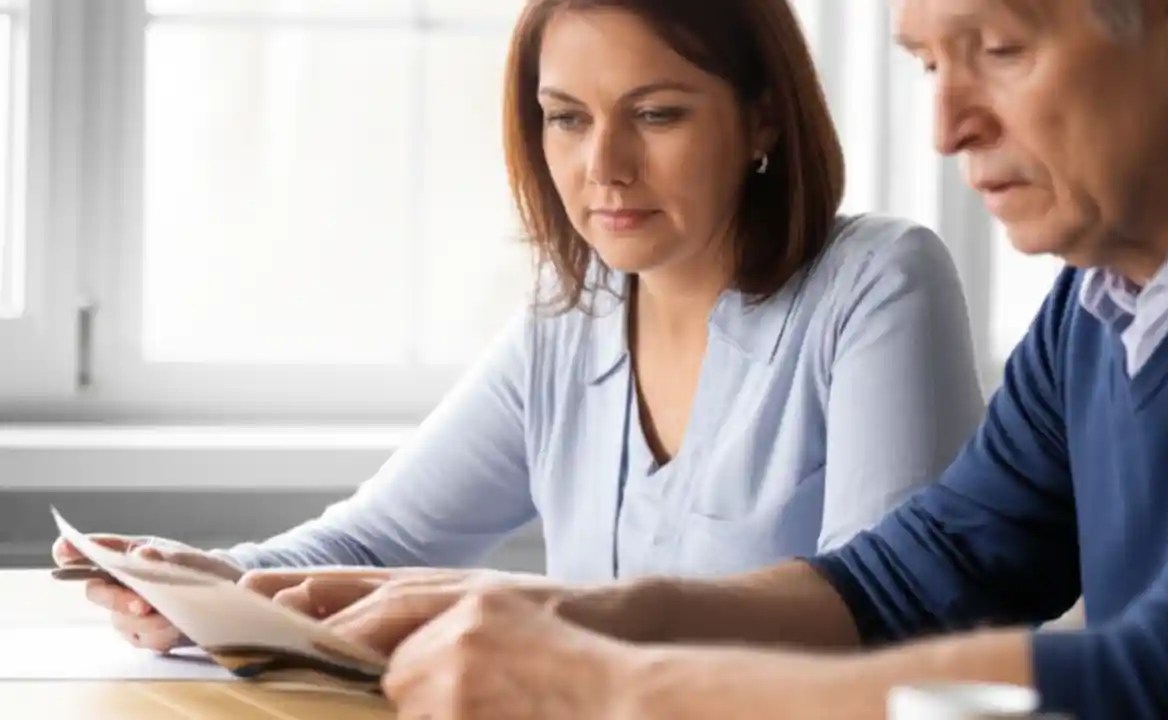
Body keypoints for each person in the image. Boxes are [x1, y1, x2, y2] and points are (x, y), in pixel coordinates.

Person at [247, 0, 1168, 718]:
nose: (945, 126)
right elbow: (921, 576)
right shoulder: (1095, 305)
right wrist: (564, 610)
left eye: (998, 49)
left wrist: (616, 690)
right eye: (926, 62)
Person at [52, 0, 983, 654]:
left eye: (656, 114)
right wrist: (210, 582)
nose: (603, 166)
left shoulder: (880, 287)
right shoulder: (569, 324)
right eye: (565, 119)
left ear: (762, 120)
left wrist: (533, 611)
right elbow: (379, 546)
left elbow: (890, 622)